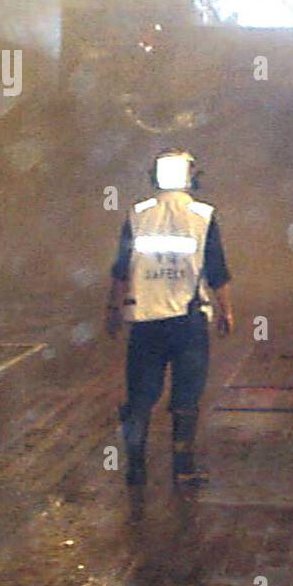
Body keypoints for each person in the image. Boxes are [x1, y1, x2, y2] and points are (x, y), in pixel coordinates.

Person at [106, 147, 234, 485]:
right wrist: (226, 311)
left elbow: (121, 270)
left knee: (140, 396)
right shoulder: (204, 215)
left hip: (145, 319)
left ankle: (135, 467)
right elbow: (217, 270)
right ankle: (183, 467)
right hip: (187, 320)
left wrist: (113, 310)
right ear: (190, 175)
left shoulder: (137, 214)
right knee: (186, 395)